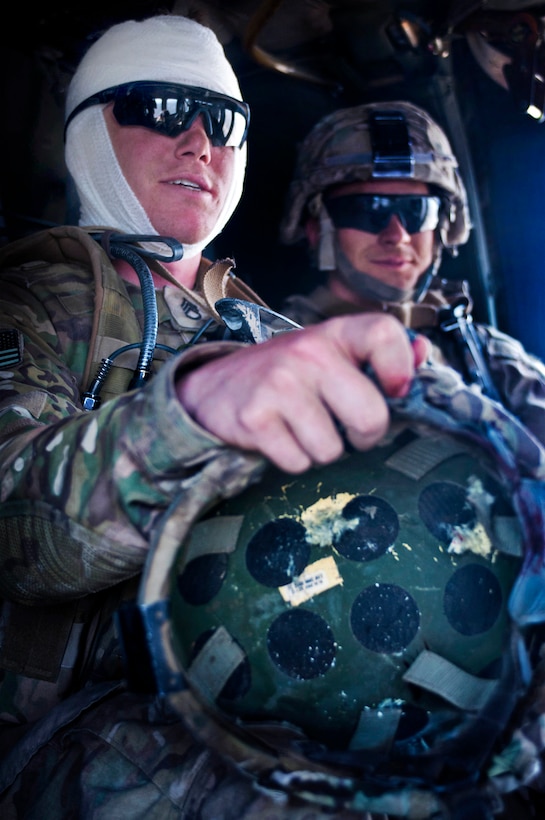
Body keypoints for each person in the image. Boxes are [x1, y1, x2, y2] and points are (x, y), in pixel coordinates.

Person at [0, 14, 428, 819]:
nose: (200, 142)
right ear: (90, 126)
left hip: (283, 681)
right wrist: (193, 413)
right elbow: (18, 541)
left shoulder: (277, 333)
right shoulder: (29, 304)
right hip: (83, 722)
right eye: (160, 109)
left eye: (224, 121)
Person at [279, 101, 545, 446]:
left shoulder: (485, 354)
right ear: (318, 229)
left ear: (442, 227)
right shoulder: (273, 350)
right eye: (368, 210)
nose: (398, 235)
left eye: (417, 212)